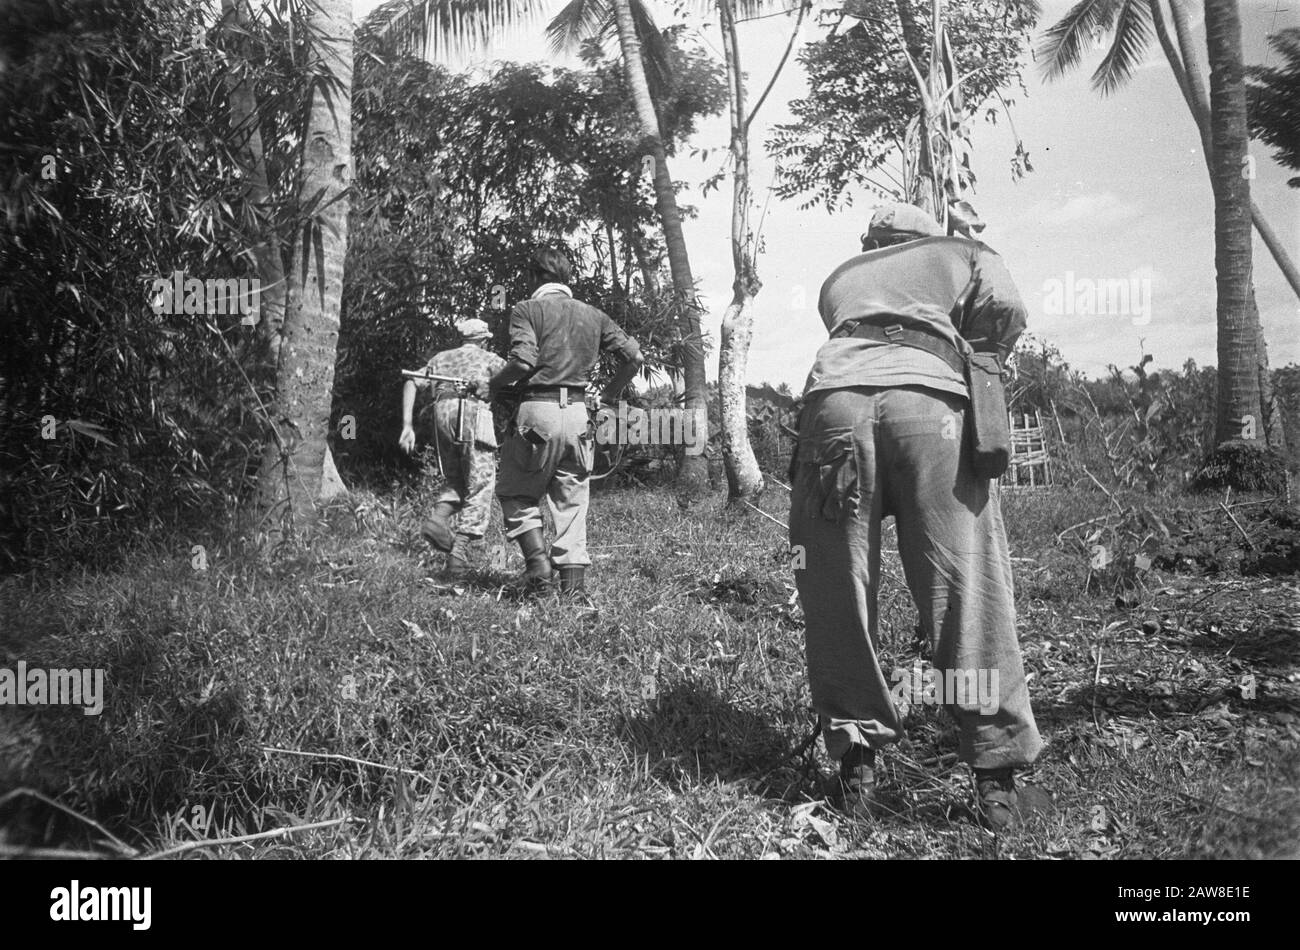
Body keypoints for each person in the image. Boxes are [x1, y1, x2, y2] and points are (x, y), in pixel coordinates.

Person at [788, 202, 1044, 830]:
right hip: (929, 407)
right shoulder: (963, 252)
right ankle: (995, 778)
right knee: (966, 584)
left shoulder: (842, 274)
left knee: (836, 586)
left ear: (873, 241)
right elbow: (1007, 311)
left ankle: (857, 766)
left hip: (834, 407)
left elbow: (841, 321)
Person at [488, 247, 642, 594]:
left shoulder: (526, 310)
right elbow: (634, 357)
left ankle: (538, 567)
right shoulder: (594, 315)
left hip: (536, 412)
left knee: (515, 492)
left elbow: (523, 362)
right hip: (577, 414)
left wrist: (490, 384)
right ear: (566, 280)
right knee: (571, 503)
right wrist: (611, 396)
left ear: (534, 277)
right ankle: (573, 595)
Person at [399, 318, 505, 579]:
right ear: (483, 339)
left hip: (442, 414)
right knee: (481, 483)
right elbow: (516, 379)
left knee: (456, 478)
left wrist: (407, 425)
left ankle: (438, 519)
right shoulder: (490, 358)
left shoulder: (440, 358)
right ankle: (458, 557)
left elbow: (411, 381)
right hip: (473, 413)